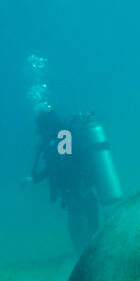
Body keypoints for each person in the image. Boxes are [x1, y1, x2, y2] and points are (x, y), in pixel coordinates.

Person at [24, 107, 123, 249]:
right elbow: (62, 161)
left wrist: (37, 178)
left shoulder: (62, 135)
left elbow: (61, 163)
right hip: (81, 182)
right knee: (89, 211)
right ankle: (94, 246)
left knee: (78, 216)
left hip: (75, 184)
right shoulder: (62, 133)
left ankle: (86, 250)